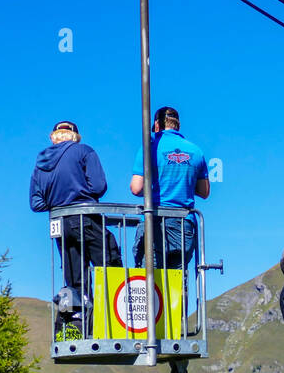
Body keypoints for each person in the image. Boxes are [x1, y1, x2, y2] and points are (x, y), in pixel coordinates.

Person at [29, 120, 123, 337]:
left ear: (54, 136)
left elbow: (36, 203)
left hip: (60, 223)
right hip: (84, 216)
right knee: (109, 262)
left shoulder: (40, 162)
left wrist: (56, 204)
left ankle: (78, 325)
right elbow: (99, 186)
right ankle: (113, 320)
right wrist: (81, 196)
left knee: (75, 276)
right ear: (75, 136)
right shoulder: (84, 151)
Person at [128, 106, 210, 271]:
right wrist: (182, 182)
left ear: (157, 125)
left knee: (149, 282)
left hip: (154, 220)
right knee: (177, 282)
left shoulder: (150, 147)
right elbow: (204, 191)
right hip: (183, 223)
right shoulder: (196, 151)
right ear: (177, 125)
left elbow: (136, 188)